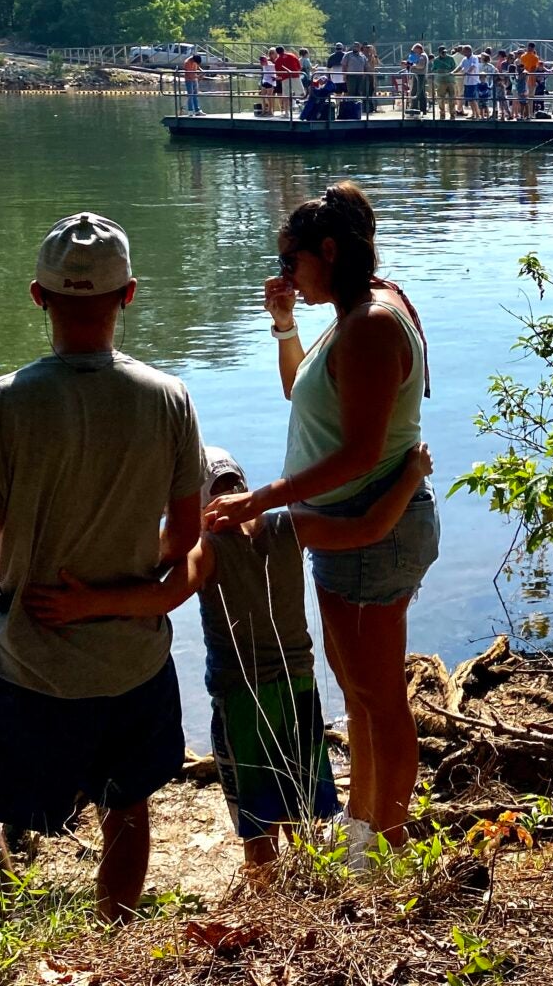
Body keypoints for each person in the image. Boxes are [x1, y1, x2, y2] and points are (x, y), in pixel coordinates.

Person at [0, 214, 205, 929]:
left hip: (32, 666)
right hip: (135, 662)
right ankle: (114, 936)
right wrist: (116, 587)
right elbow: (183, 536)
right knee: (127, 805)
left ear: (38, 296)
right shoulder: (170, 398)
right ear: (129, 296)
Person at [27, 443, 432, 866]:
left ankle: (268, 902)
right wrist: (410, 476)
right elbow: (369, 528)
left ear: (198, 505)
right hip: (297, 691)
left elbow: (161, 597)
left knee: (258, 830)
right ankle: (314, 891)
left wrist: (86, 603)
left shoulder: (207, 550)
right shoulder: (291, 526)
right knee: (301, 815)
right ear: (243, 488)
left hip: (242, 699)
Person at [209, 183, 437, 846]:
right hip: (346, 528)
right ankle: (365, 824)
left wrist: (261, 498)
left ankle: (387, 841)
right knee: (357, 689)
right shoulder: (351, 311)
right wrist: (285, 326)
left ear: (328, 250)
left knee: (379, 698)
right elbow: (298, 388)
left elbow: (361, 452)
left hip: (371, 528)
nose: (285, 275)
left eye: (291, 263)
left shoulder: (370, 324)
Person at [429, 45, 456, 120]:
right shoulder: (436, 60)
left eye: (445, 52)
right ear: (439, 52)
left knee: (452, 98)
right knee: (441, 98)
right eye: (442, 52)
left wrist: (448, 71)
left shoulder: (451, 58)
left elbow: (454, 68)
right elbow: (433, 70)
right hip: (440, 81)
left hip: (450, 80)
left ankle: (452, 114)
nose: (444, 53)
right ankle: (442, 114)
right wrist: (438, 71)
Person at [518, 42, 542, 119]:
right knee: (530, 98)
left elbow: (521, 67)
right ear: (534, 48)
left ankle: (522, 114)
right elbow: (534, 68)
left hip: (523, 79)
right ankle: (530, 114)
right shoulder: (535, 57)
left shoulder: (522, 56)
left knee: (522, 97)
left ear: (528, 47)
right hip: (531, 79)